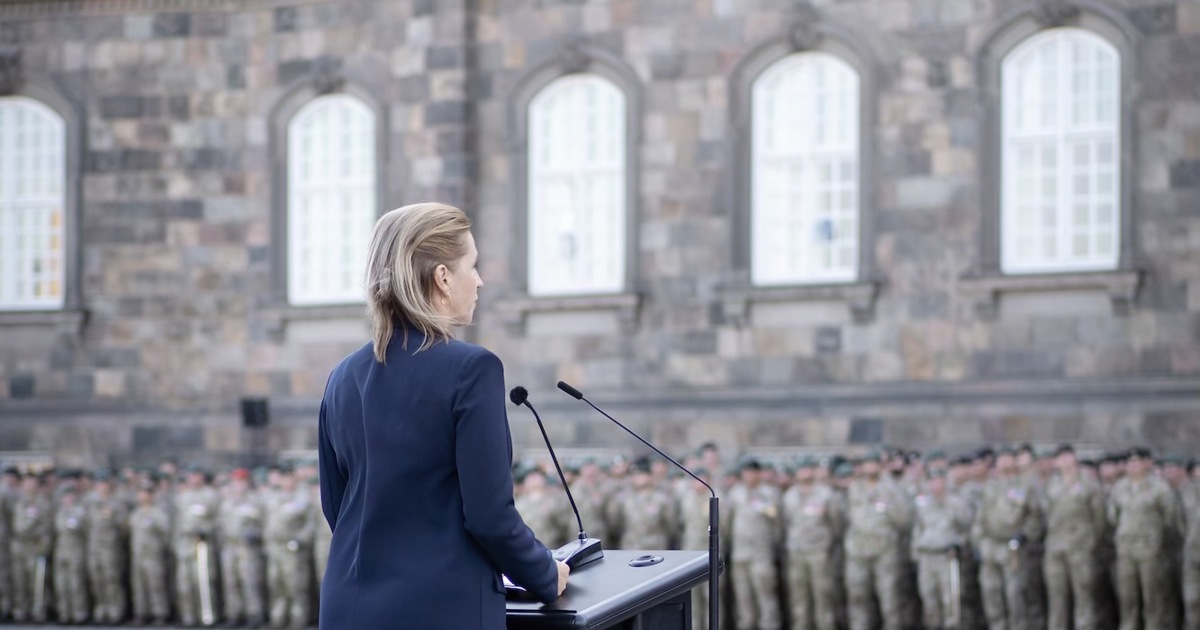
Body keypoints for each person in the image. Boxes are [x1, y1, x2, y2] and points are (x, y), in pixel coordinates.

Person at [317, 202, 569, 629]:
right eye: (472, 265)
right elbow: (489, 517)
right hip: (440, 609)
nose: (480, 281)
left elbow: (337, 507)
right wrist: (547, 572)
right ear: (443, 277)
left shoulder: (341, 377)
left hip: (347, 607)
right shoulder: (471, 369)